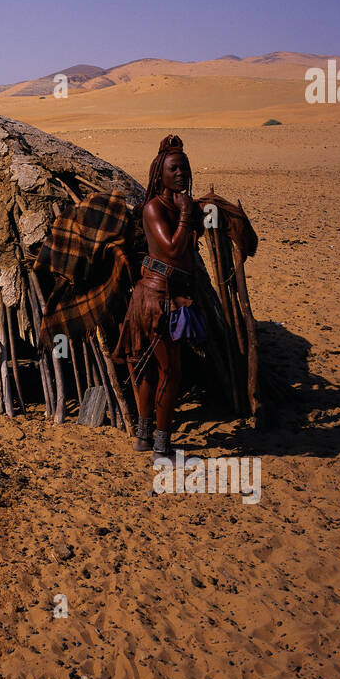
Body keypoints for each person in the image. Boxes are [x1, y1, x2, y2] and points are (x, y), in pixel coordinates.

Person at [116, 135, 202, 455]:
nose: (181, 173)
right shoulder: (155, 208)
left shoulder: (176, 206)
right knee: (169, 372)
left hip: (167, 294)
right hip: (157, 299)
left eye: (184, 168)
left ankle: (143, 438)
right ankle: (161, 447)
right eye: (174, 168)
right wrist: (186, 215)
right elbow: (171, 249)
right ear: (159, 174)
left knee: (152, 369)